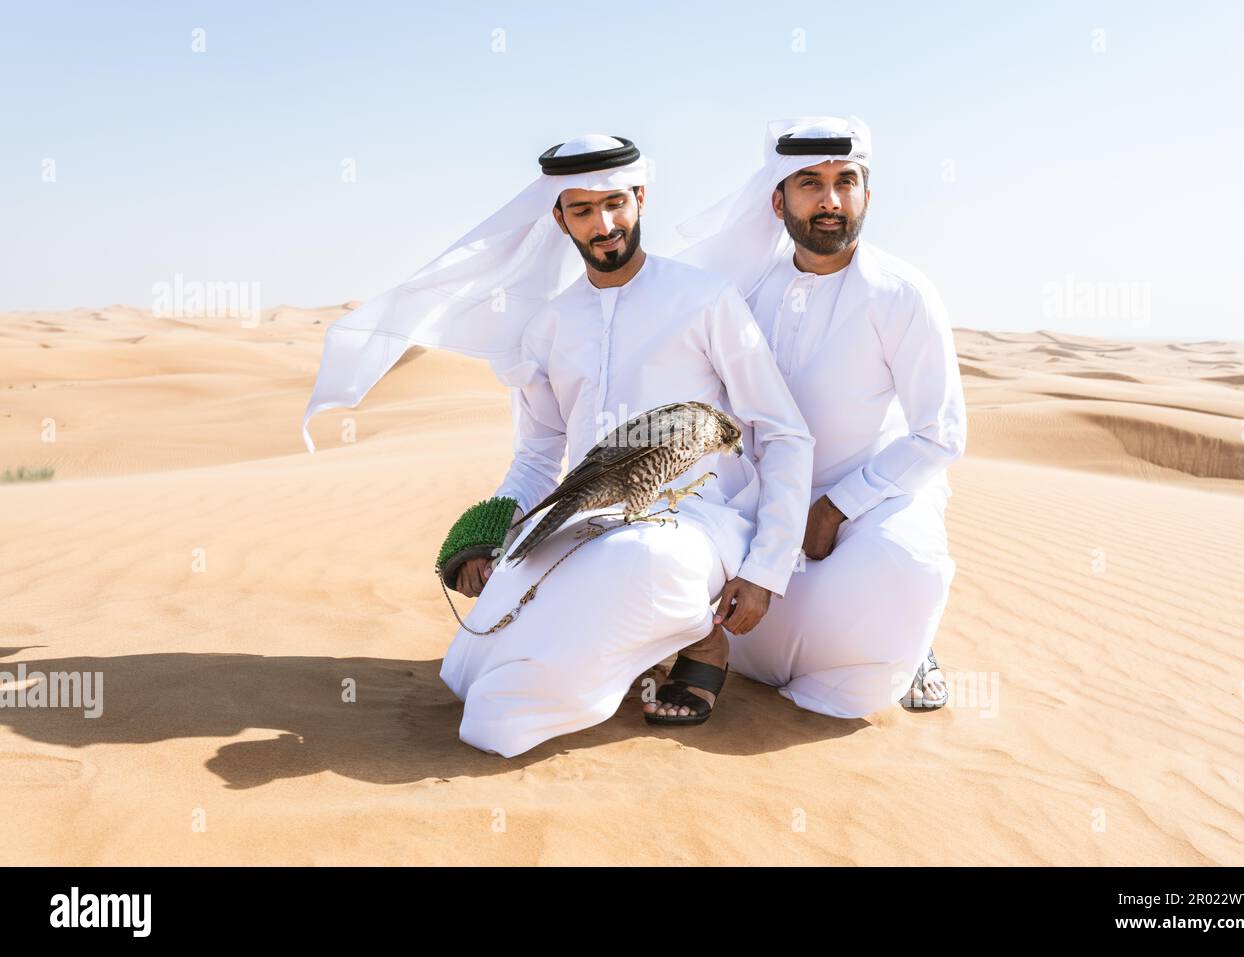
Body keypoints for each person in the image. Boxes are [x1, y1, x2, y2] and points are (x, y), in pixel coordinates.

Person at [304, 134, 813, 757]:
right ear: (559, 217)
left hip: (697, 520)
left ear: (640, 199)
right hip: (583, 516)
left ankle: (700, 640)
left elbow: (785, 432)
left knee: (516, 699)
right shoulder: (546, 324)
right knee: (468, 672)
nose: (604, 224)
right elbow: (539, 454)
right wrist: (491, 530)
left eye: (616, 204)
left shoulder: (704, 299)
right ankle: (625, 654)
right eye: (582, 210)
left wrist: (767, 568)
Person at [675, 116, 966, 718]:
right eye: (810, 183)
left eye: (846, 181)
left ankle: (911, 648)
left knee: (900, 568)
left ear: (867, 193)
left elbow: (940, 435)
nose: (830, 200)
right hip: (764, 494)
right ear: (777, 201)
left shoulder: (902, 294)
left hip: (872, 494)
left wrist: (836, 507)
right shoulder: (743, 292)